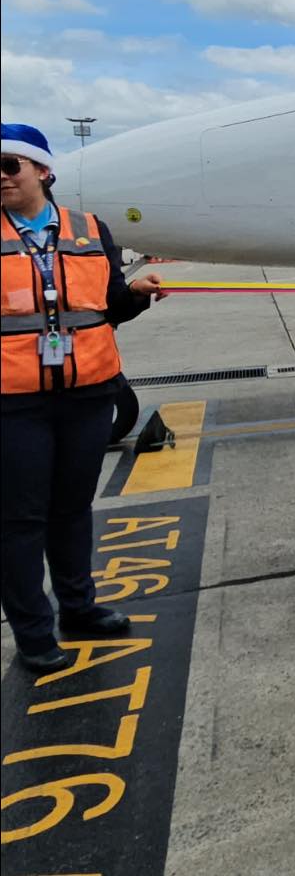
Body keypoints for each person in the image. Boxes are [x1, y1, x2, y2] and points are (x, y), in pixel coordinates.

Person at [1, 123, 165, 674]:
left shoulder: (91, 230)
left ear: (43, 171)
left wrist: (137, 296)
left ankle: (79, 606)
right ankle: (32, 632)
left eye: (10, 166)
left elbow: (108, 306)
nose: (1, 178)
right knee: (20, 520)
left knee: (72, 509)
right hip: (13, 401)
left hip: (89, 393)